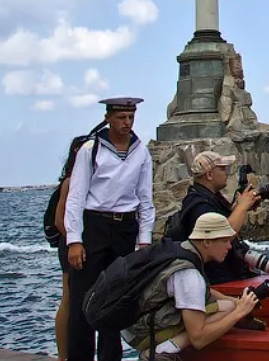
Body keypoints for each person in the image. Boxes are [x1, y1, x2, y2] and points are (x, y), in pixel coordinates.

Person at [65, 97, 156, 361]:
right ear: (108, 118)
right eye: (121, 118)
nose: (127, 123)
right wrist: (74, 239)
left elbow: (146, 198)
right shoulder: (90, 149)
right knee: (83, 301)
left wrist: (144, 239)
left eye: (130, 117)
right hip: (95, 225)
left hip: (125, 226)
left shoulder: (141, 152)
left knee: (115, 301)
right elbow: (76, 196)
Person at [120, 214, 262, 361]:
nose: (229, 246)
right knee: (228, 310)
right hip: (142, 334)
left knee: (229, 305)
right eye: (225, 240)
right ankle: (158, 352)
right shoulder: (190, 275)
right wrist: (239, 312)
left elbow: (203, 291)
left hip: (132, 325)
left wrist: (235, 301)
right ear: (207, 242)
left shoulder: (181, 251)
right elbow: (198, 339)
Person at [167, 151, 269, 289]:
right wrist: (242, 206)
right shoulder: (198, 206)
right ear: (209, 175)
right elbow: (223, 235)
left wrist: (239, 208)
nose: (227, 173)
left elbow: (221, 224)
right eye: (222, 169)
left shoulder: (208, 198)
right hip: (218, 280)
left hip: (225, 274)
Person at [53, 135, 90, 361]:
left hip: (80, 244)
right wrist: (77, 242)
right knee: (69, 298)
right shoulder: (70, 182)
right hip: (71, 244)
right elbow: (60, 221)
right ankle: (63, 355)